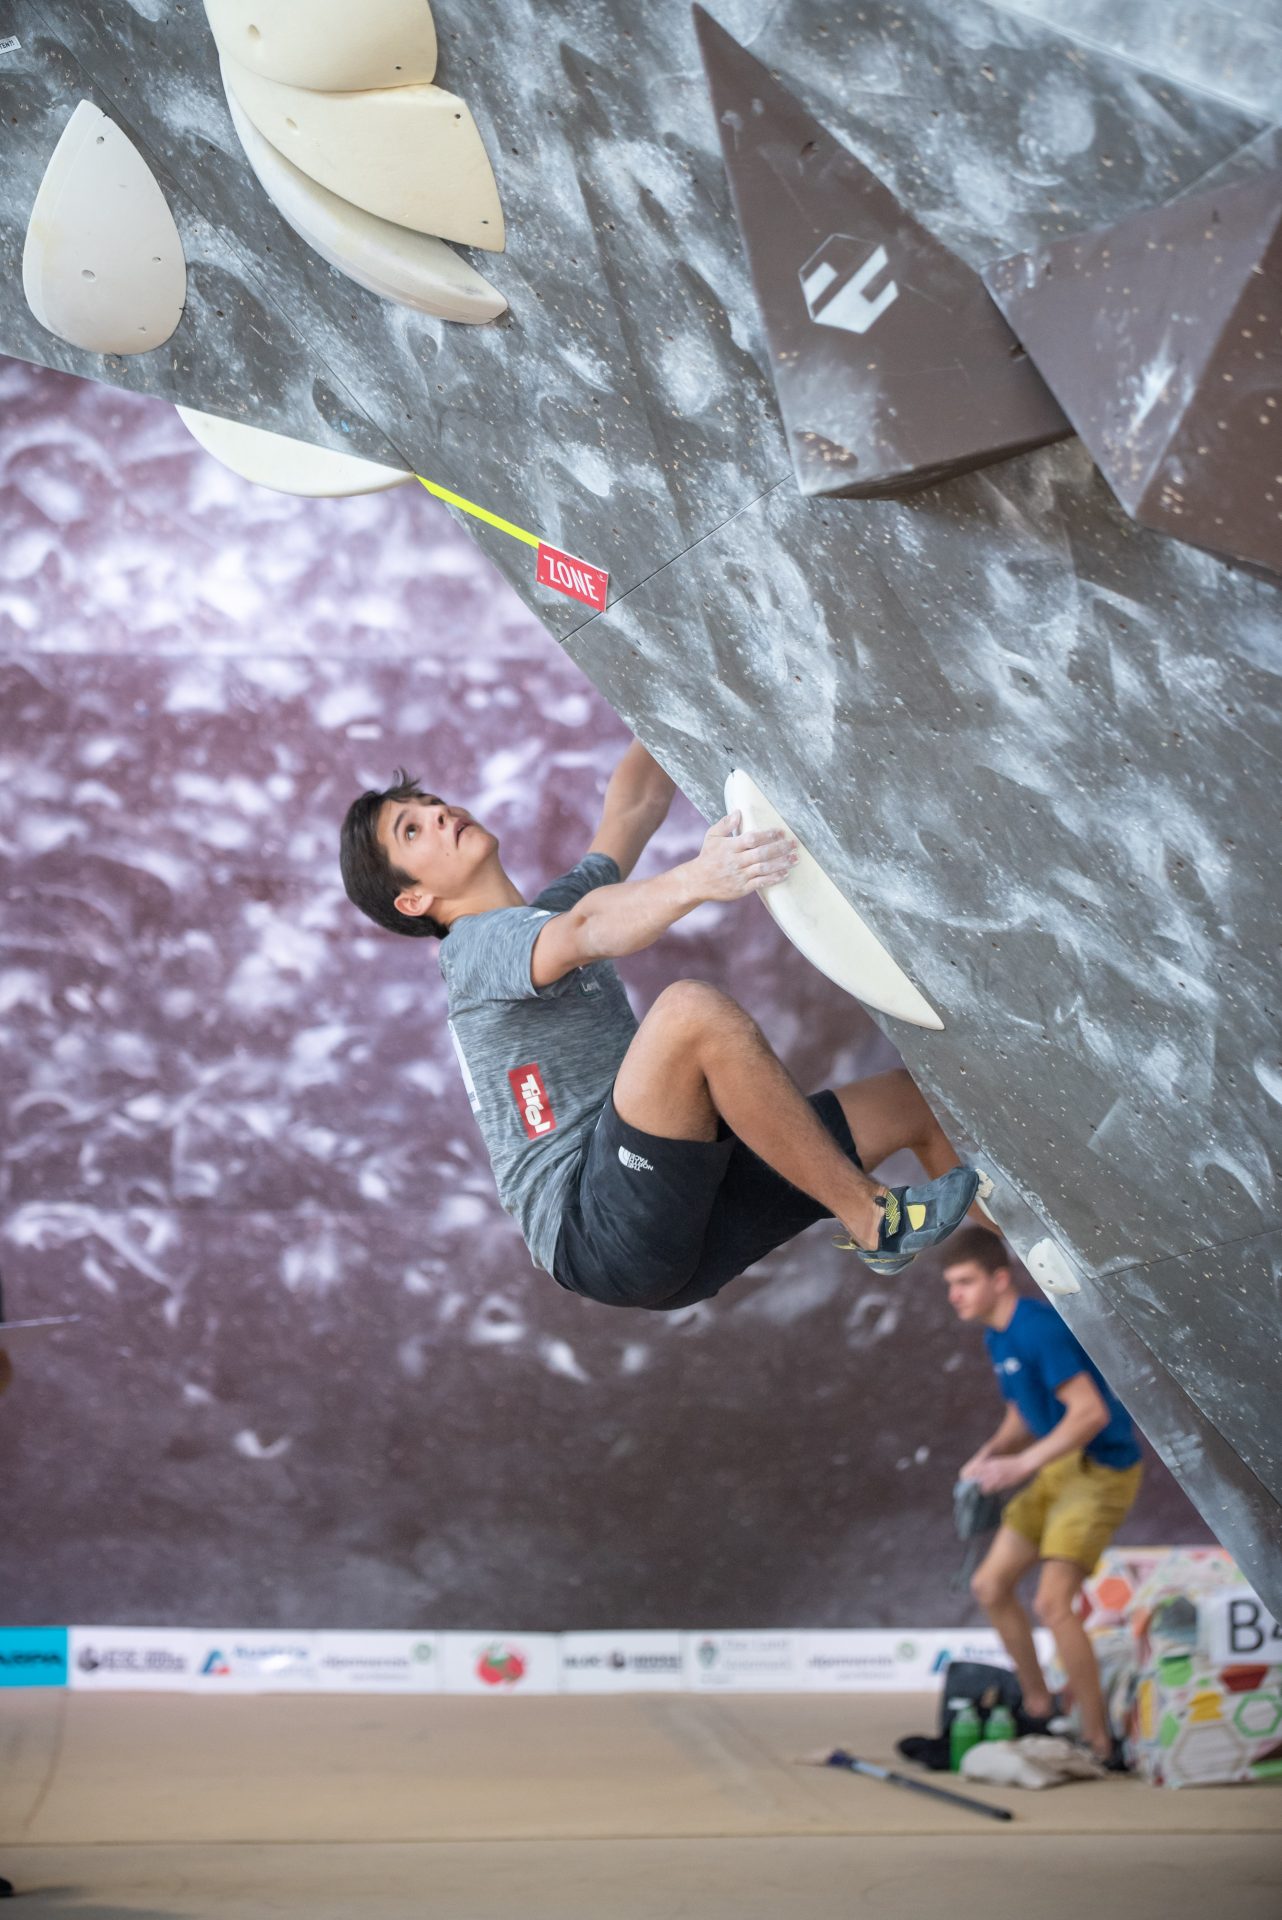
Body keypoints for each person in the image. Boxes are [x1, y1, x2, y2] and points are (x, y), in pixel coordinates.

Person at [339, 738, 981, 1311]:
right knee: (689, 1012)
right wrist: (700, 878)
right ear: (414, 899)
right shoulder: (473, 950)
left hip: (680, 1207)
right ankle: (873, 1220)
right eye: (412, 829)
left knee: (911, 1106)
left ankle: (1034, 1245)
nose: (439, 813)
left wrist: (667, 707)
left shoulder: (545, 917)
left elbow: (632, 811)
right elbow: (589, 928)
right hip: (597, 1227)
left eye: (430, 802)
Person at [943, 1226, 1143, 1765]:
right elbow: (1023, 1412)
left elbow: (1089, 1413)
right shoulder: (997, 1335)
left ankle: (1098, 1743)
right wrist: (989, 1455)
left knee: (1053, 1603)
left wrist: (1020, 1465)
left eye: (965, 1282)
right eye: (951, 1285)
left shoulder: (1037, 1329)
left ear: (999, 1280)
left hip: (1100, 1470)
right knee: (989, 1584)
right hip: (1057, 1467)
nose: (955, 1295)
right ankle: (1040, 1707)